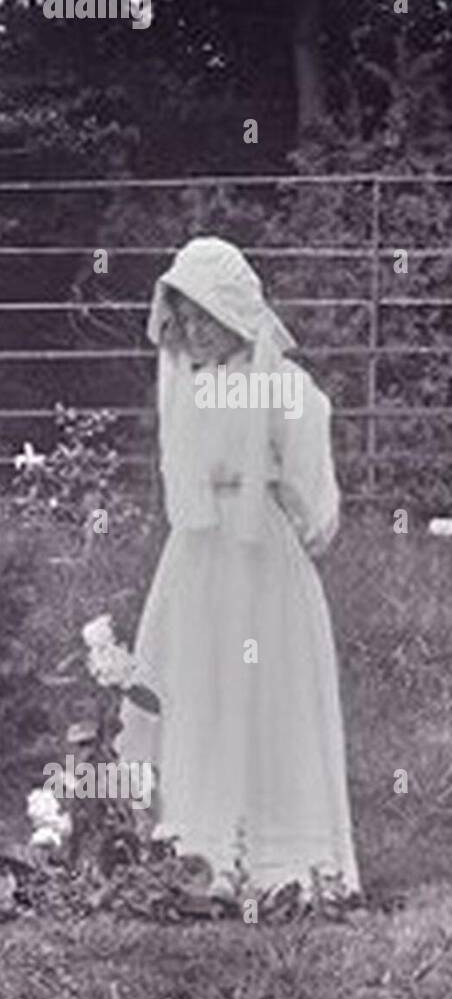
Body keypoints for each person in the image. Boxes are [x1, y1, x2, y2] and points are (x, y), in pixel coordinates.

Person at [117, 236, 361, 897]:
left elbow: (315, 500)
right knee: (198, 690)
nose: (192, 329)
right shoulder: (188, 388)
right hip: (195, 558)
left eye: (204, 315)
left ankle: (282, 852)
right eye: (182, 315)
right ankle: (200, 844)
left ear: (235, 313)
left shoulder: (289, 389)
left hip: (265, 558)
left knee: (264, 696)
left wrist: (291, 542)